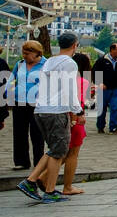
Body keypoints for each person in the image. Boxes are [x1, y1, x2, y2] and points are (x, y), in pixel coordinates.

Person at [18, 33, 83, 204]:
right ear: (75, 45)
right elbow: (70, 89)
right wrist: (78, 111)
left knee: (53, 148)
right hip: (57, 110)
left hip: (41, 109)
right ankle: (50, 190)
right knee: (59, 151)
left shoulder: (50, 61)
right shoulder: (69, 63)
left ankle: (31, 180)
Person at [59, 52, 92, 195]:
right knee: (72, 153)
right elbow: (77, 102)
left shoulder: (64, 78)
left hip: (62, 116)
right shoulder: (83, 82)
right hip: (76, 118)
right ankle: (67, 186)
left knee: (59, 152)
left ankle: (42, 176)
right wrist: (76, 117)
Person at [10, 40, 45, 171]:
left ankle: (39, 162)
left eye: (27, 53)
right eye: (23, 53)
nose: (24, 56)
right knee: (19, 132)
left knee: (37, 133)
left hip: (37, 103)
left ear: (37, 53)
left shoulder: (46, 65)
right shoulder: (19, 65)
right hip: (19, 102)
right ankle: (21, 161)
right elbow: (11, 80)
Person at [92, 42, 117, 134]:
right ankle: (100, 126)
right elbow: (95, 72)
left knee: (115, 108)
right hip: (104, 88)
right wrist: (99, 83)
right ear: (112, 50)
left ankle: (113, 127)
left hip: (116, 89)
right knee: (102, 108)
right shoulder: (102, 61)